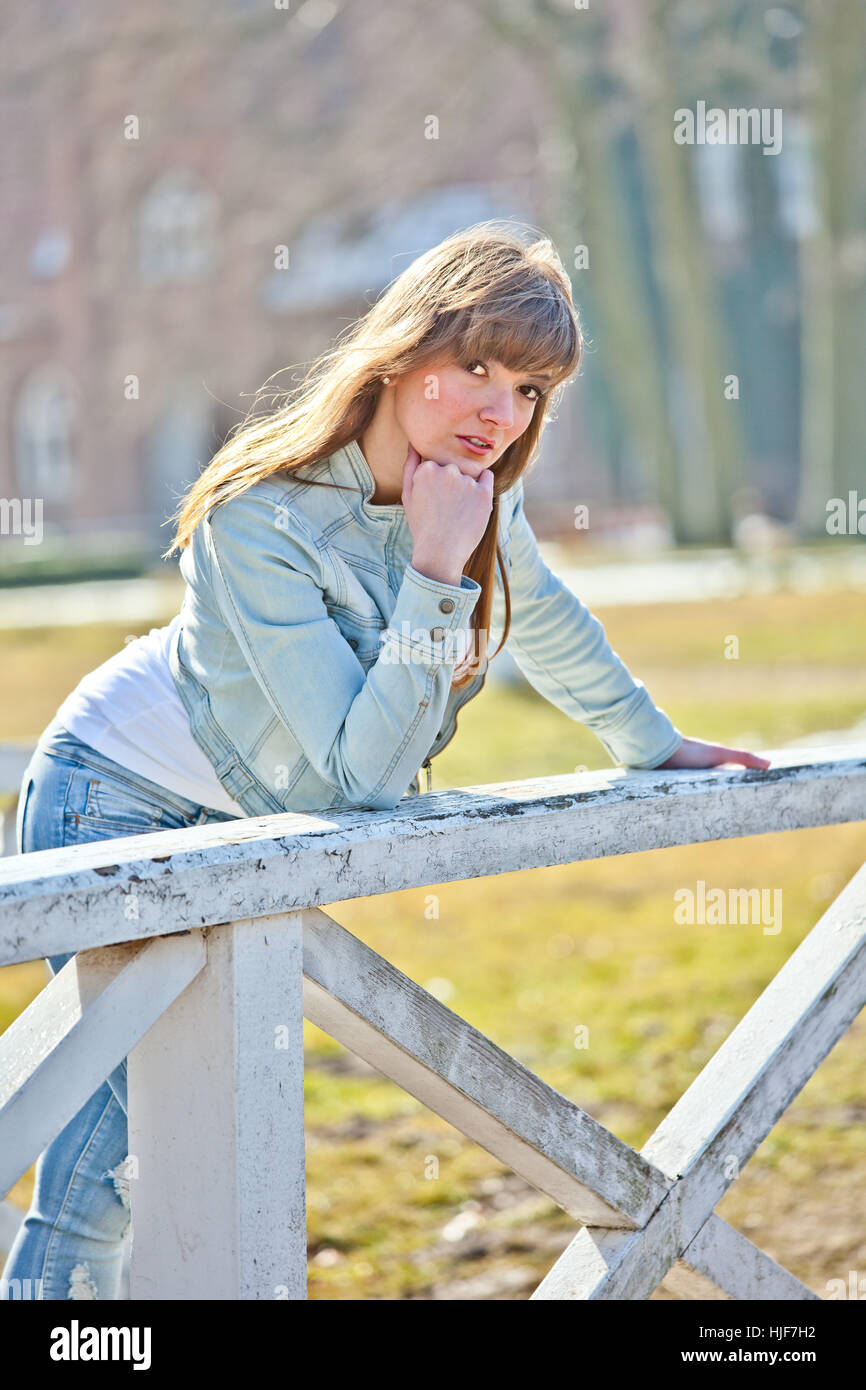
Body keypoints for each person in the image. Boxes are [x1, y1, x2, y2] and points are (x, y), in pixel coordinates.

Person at [1, 220, 770, 1301]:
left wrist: (651, 745)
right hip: (114, 795)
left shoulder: (475, 497)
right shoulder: (256, 518)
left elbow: (545, 621)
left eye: (528, 391)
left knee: (185, 1132)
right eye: (475, 368)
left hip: (245, 819)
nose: (497, 413)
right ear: (401, 354)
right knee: (108, 1154)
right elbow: (353, 782)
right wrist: (433, 567)